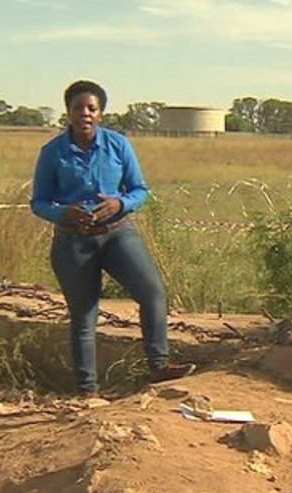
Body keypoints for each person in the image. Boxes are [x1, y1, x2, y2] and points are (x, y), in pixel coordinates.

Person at [31, 79, 195, 397]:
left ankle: (159, 366)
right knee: (84, 315)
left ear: (101, 113)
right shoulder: (52, 153)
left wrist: (121, 204)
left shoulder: (118, 145)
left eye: (92, 108)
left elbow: (140, 190)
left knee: (152, 292)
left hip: (117, 234)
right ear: (68, 112)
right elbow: (38, 202)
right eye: (78, 108)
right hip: (73, 241)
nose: (85, 114)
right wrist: (63, 213)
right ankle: (87, 391)